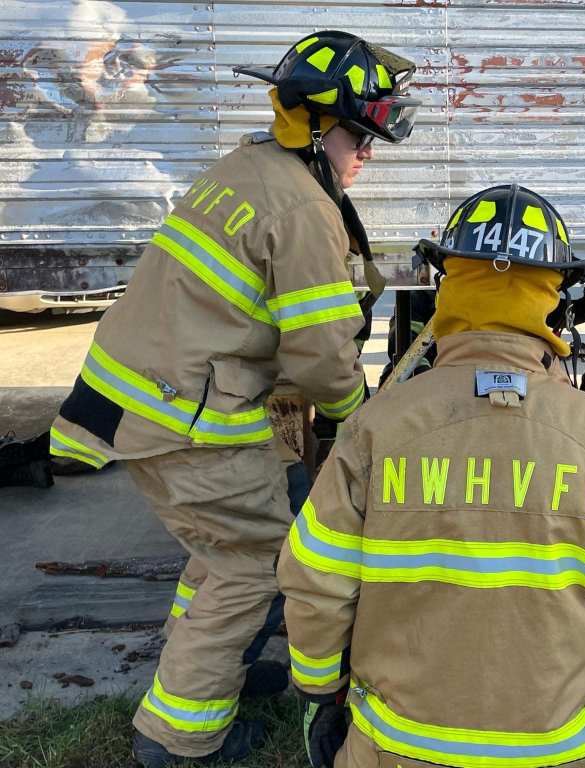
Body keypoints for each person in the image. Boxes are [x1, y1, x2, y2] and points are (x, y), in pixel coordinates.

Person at [48, 30, 420, 767]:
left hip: (139, 401)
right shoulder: (303, 209)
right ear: (313, 125)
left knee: (219, 551)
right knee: (257, 561)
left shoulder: (246, 168)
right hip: (186, 417)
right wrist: (357, 422)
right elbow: (318, 353)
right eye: (358, 136)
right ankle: (179, 740)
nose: (367, 153)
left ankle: (209, 671)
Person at [276, 184, 585, 768]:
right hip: (562, 749)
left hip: (399, 747)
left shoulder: (375, 430)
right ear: (553, 297)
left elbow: (315, 583)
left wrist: (321, 690)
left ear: (450, 286)